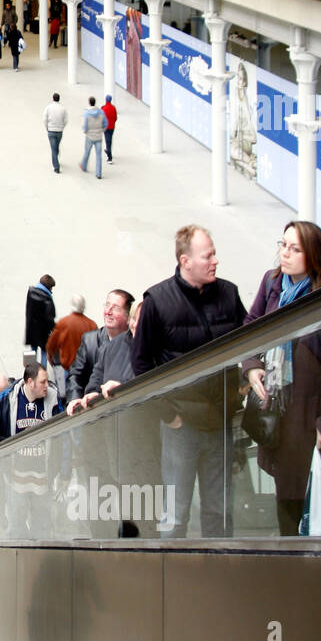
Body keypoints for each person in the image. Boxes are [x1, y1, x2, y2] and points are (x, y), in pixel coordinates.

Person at [241, 221, 321, 536]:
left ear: (314, 256)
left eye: (295, 249)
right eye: (283, 245)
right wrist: (252, 364)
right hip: (281, 423)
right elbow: (251, 326)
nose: (285, 254)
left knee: (315, 521)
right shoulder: (273, 285)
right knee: (287, 515)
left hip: (313, 433)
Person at [131, 224, 247, 538]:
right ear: (186, 261)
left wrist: (242, 388)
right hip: (181, 427)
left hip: (221, 422)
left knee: (219, 513)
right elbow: (141, 365)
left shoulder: (228, 294)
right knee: (175, 515)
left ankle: (219, 575)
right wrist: (169, 415)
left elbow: (250, 342)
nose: (215, 261)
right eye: (207, 255)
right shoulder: (158, 300)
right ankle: (173, 580)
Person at [68, 289, 134, 403]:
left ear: (128, 317)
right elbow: (75, 376)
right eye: (107, 305)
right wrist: (75, 401)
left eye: (116, 308)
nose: (108, 311)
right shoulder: (90, 341)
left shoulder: (136, 343)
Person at [0, 361, 56, 444]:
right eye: (43, 382)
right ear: (30, 382)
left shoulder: (54, 397)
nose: (47, 385)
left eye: (47, 381)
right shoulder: (5, 398)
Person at [46, 295, 97, 393]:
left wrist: (50, 356)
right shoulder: (92, 325)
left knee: (68, 396)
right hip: (87, 369)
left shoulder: (64, 323)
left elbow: (52, 344)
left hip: (68, 366)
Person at [24, 274, 57, 364]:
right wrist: (55, 329)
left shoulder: (30, 293)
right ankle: (42, 373)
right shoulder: (47, 299)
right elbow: (50, 318)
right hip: (43, 333)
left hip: (31, 330)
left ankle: (30, 372)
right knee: (44, 353)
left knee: (33, 351)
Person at [43, 92, 68, 174]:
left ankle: (56, 167)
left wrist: (47, 127)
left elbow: (45, 119)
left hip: (51, 130)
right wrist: (62, 127)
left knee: (54, 149)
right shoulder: (63, 109)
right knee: (56, 147)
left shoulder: (48, 108)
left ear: (53, 98)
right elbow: (65, 120)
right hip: (59, 131)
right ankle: (56, 162)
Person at [79, 96, 105, 178]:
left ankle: (84, 166)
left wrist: (85, 131)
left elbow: (85, 125)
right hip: (99, 136)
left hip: (89, 136)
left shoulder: (86, 113)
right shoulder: (101, 112)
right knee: (99, 155)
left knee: (87, 152)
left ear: (89, 103)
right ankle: (98, 173)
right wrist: (101, 130)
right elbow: (105, 123)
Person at [101, 96, 117, 162]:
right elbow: (115, 118)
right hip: (112, 127)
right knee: (110, 139)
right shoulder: (113, 108)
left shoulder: (103, 108)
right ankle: (108, 150)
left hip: (106, 127)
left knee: (107, 141)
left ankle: (109, 157)